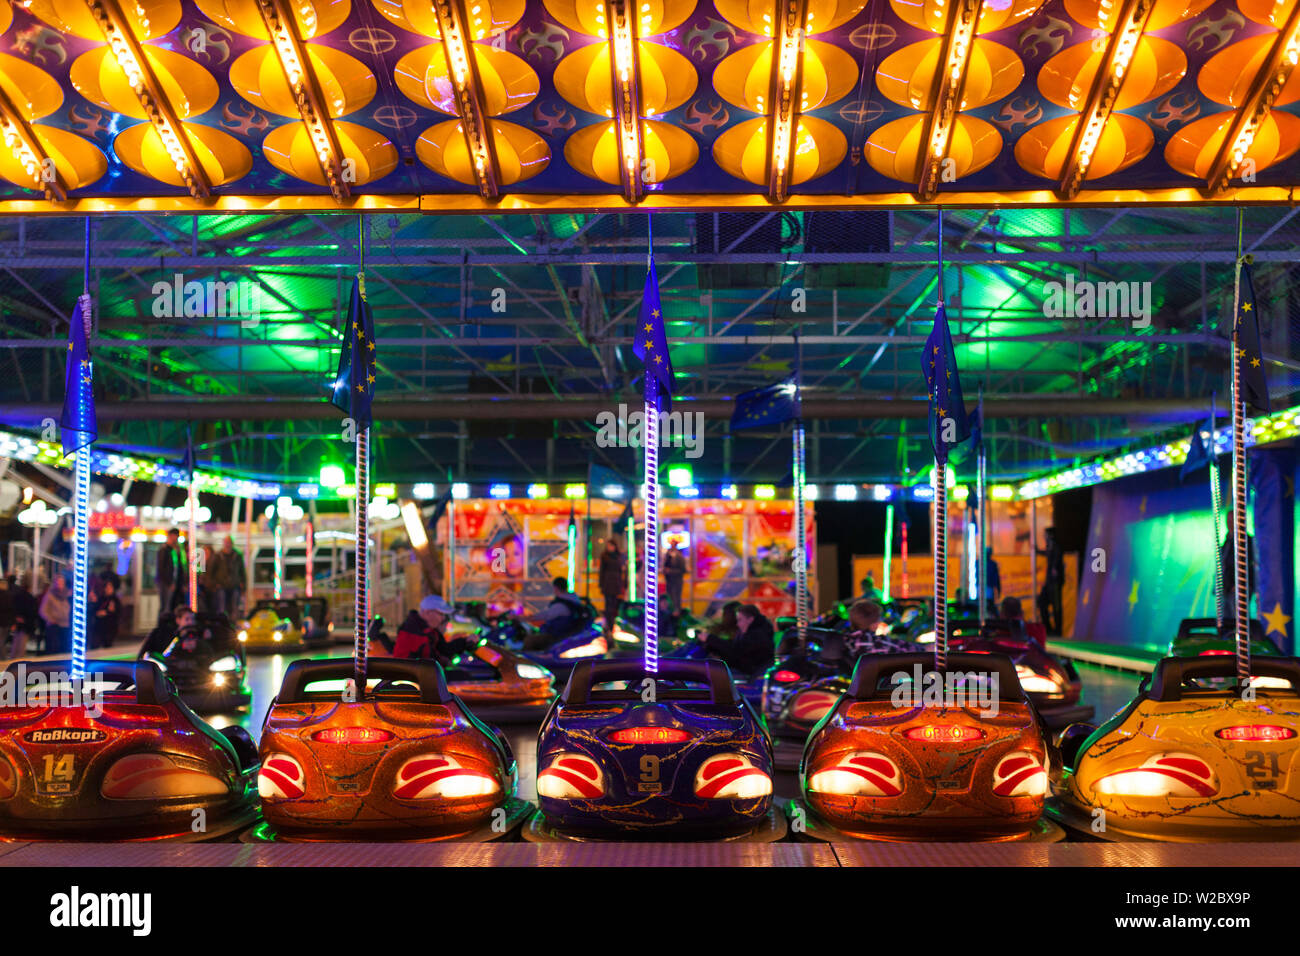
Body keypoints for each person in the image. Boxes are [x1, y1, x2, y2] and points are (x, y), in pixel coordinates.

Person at [697, 603, 774, 676]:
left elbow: (736, 651)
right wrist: (712, 646)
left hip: (750, 674)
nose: (738, 624)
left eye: (740, 620)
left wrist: (711, 639)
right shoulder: (751, 633)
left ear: (750, 619)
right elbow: (734, 647)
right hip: (746, 671)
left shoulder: (758, 636)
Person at [393, 595, 468, 661]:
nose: (443, 618)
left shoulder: (430, 631)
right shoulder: (412, 632)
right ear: (427, 613)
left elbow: (444, 649)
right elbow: (423, 662)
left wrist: (465, 642)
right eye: (441, 614)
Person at [845, 600, 913, 657]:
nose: (880, 622)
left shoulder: (844, 640)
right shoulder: (878, 643)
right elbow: (912, 650)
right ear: (874, 625)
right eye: (879, 619)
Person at [1036, 527, 1065, 636]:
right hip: (1049, 581)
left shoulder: (1056, 547)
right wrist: (1037, 550)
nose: (1044, 537)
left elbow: (1056, 558)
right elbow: (1047, 553)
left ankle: (1058, 630)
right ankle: (1048, 628)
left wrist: (1054, 568)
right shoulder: (1050, 547)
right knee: (1042, 602)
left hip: (1055, 582)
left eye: (1046, 535)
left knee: (1056, 606)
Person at [208, 536, 244, 618]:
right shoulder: (218, 556)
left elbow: (241, 571)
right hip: (221, 585)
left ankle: (233, 623)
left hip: (234, 585)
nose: (228, 545)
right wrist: (215, 584)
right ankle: (223, 623)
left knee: (234, 607)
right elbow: (211, 571)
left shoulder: (237, 556)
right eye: (226, 543)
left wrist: (242, 584)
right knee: (222, 606)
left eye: (229, 543)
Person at [155, 529, 184, 623]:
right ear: (170, 536)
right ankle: (162, 627)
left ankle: (168, 626)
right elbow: (161, 569)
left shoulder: (176, 550)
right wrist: (169, 583)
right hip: (166, 583)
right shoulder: (164, 550)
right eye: (175, 536)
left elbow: (179, 567)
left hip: (173, 583)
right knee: (165, 607)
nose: (176, 539)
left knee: (171, 606)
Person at [5, 574, 36, 659]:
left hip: (18, 623)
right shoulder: (30, 598)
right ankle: (18, 664)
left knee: (16, 645)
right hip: (25, 624)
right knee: (21, 647)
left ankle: (13, 661)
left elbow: (14, 608)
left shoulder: (17, 596)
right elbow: (32, 613)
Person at [597, 538, 626, 630]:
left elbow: (621, 570)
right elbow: (602, 570)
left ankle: (611, 623)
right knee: (608, 604)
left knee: (614, 604)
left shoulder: (619, 556)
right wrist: (601, 584)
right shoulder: (605, 556)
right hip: (608, 582)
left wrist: (623, 583)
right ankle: (609, 624)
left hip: (616, 582)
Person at [39, 574, 71, 655]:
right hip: (54, 626)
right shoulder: (50, 595)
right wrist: (50, 619)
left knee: (64, 648)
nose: (60, 584)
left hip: (65, 625)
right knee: (53, 649)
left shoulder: (67, 595)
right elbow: (42, 610)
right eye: (58, 582)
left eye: (61, 582)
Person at [91, 577, 122, 649]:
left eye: (110, 587)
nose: (108, 589)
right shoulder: (101, 599)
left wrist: (108, 612)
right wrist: (98, 613)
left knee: (107, 646)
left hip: (109, 627)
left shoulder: (115, 600)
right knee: (95, 645)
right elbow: (95, 610)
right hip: (99, 627)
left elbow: (117, 613)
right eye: (106, 587)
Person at [663, 542, 687, 616]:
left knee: (676, 598)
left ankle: (676, 614)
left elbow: (683, 570)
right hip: (669, 581)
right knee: (670, 598)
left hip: (676, 581)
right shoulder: (668, 556)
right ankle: (671, 613)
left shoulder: (679, 557)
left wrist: (670, 571)